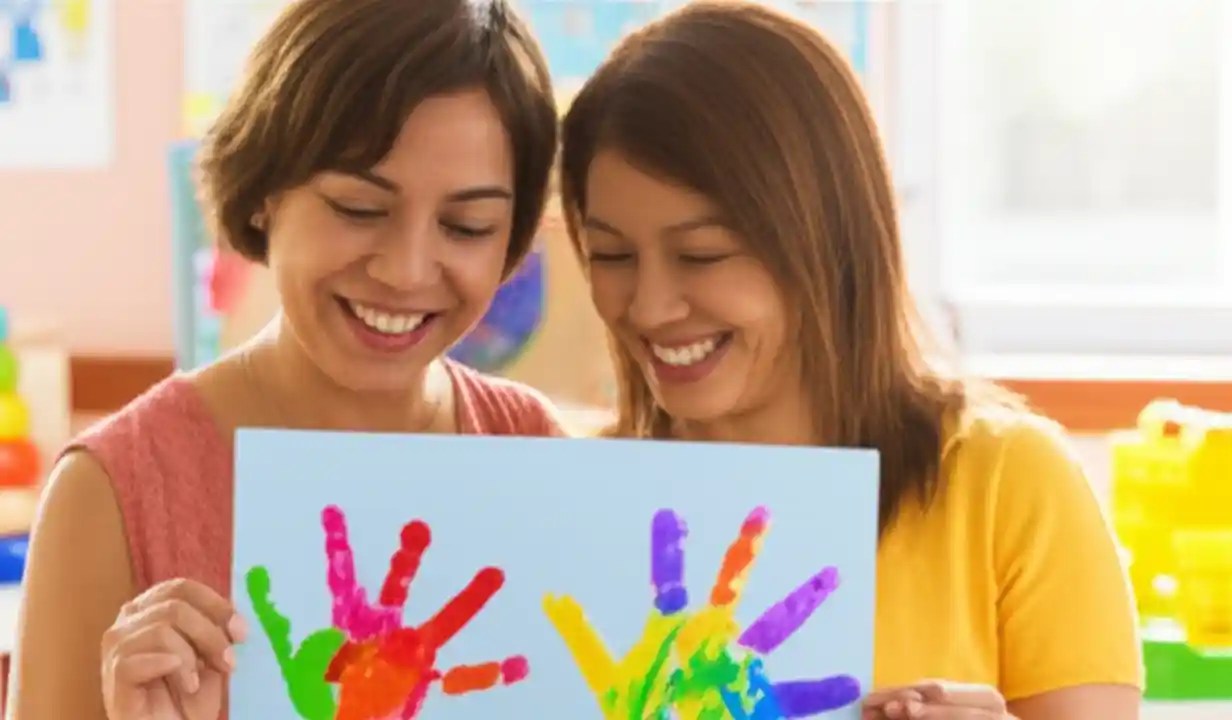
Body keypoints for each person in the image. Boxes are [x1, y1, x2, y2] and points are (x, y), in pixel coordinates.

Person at [556, 1, 1142, 719]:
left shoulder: (1006, 484)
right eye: (612, 255)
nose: (647, 308)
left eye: (701, 255)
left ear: (824, 239)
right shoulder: (575, 498)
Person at [11, 0, 560, 718]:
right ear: (268, 192)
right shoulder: (112, 493)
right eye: (360, 209)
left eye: (467, 225)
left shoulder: (532, 451)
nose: (405, 269)